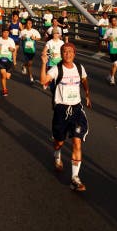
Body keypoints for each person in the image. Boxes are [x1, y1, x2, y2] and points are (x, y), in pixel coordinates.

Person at [40, 42, 91, 192]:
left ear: (74, 53)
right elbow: (43, 80)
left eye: (70, 52)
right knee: (59, 142)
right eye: (64, 52)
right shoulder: (57, 69)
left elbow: (84, 79)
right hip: (61, 111)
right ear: (61, 55)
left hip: (76, 109)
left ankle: (75, 178)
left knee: (77, 142)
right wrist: (43, 64)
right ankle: (57, 154)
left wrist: (87, 94)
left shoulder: (79, 68)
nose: (67, 54)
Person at [0, 27, 17, 96]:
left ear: (9, 33)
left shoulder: (11, 40)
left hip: (9, 60)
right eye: (4, 32)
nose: (5, 34)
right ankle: (4, 90)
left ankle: (6, 76)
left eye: (7, 32)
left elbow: (14, 50)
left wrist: (12, 49)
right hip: (1, 60)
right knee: (3, 74)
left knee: (7, 77)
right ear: (2, 33)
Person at [19, 19, 41, 83]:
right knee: (29, 64)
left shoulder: (34, 31)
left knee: (30, 63)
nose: (29, 24)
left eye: (30, 23)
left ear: (32, 24)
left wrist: (34, 38)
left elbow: (39, 38)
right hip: (25, 50)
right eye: (28, 23)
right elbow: (20, 37)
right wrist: (23, 38)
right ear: (26, 24)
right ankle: (31, 77)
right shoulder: (23, 31)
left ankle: (23, 65)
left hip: (32, 50)